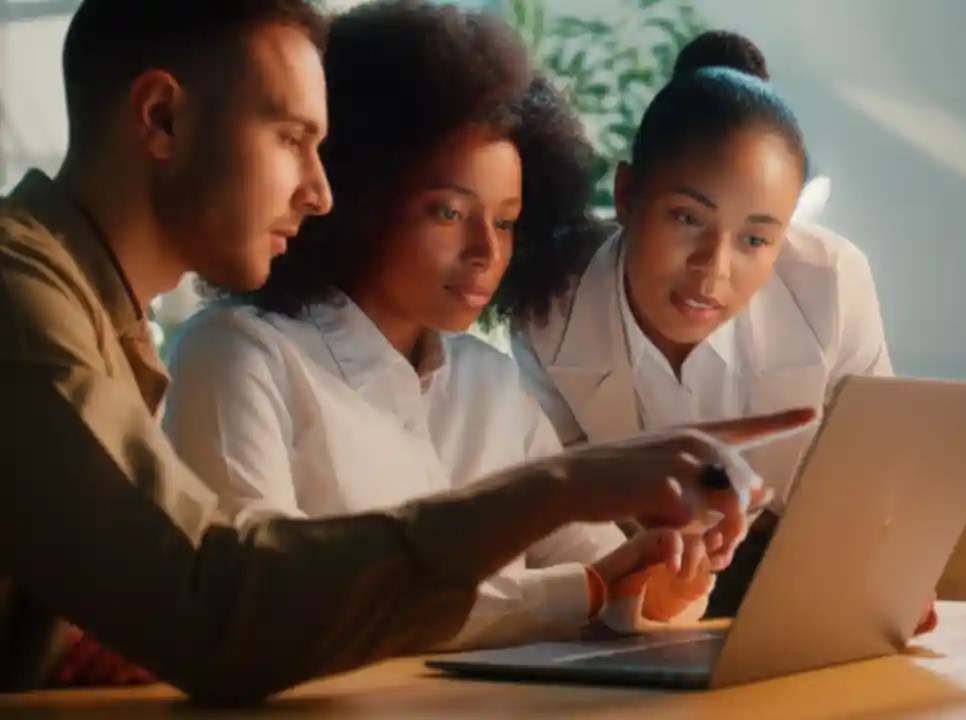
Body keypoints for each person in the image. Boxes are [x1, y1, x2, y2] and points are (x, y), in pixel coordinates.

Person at [0, 2, 809, 700]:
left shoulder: (99, 318)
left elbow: (186, 612)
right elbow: (223, 611)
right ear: (163, 119)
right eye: (290, 139)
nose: (319, 192)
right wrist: (564, 489)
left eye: (506, 220)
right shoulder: (29, 307)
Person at [162, 2, 730, 652]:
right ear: (354, 196)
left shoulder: (489, 383)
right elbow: (265, 610)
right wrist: (582, 591)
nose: (486, 250)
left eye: (508, 220)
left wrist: (672, 571)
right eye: (448, 212)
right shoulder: (236, 355)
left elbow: (608, 575)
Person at [511, 30, 966, 618]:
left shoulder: (830, 280)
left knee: (962, 538)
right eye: (686, 218)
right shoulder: (551, 309)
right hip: (654, 554)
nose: (713, 270)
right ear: (625, 195)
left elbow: (875, 464)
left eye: (754, 238)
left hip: (812, 534)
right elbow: (568, 509)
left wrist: (883, 564)